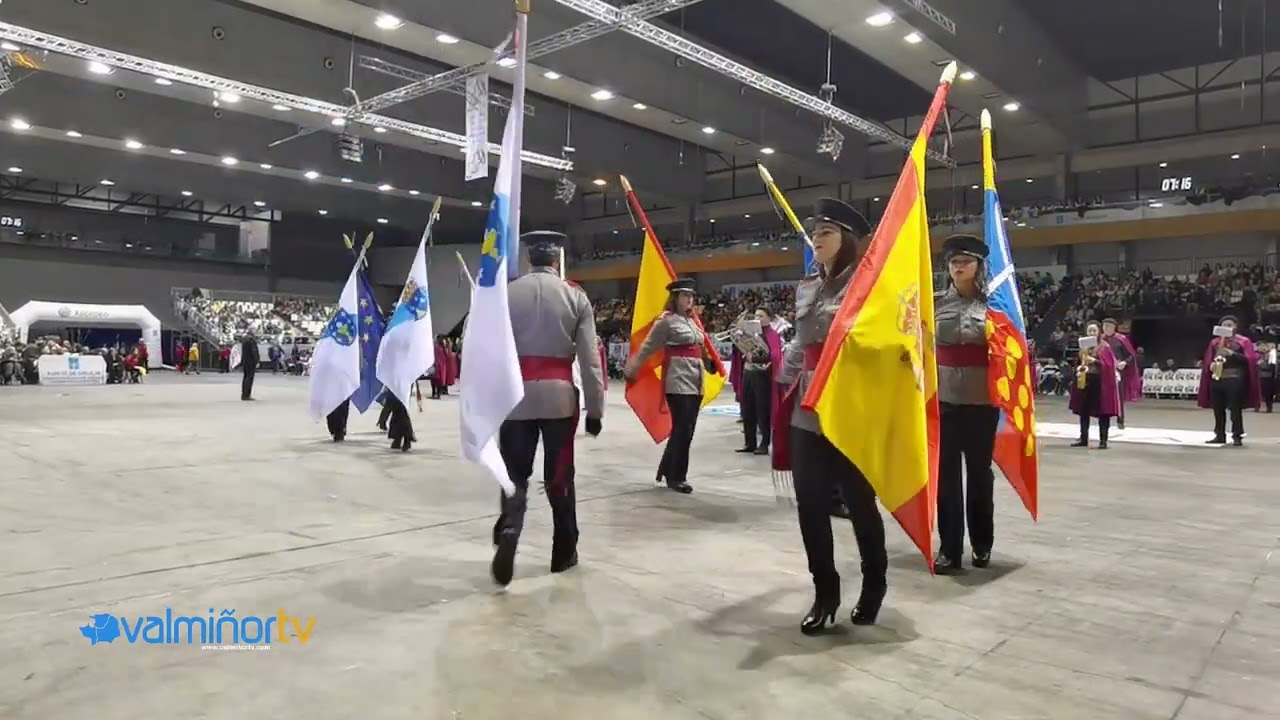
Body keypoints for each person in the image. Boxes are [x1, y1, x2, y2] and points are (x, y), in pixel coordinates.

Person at [773, 197, 886, 633]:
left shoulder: (869, 284)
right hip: (808, 409)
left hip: (852, 407)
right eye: (814, 232)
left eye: (826, 232)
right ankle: (825, 591)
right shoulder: (806, 286)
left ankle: (874, 582)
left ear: (848, 239)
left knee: (860, 502)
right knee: (810, 504)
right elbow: (802, 342)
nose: (816, 238)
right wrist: (780, 371)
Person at [490, 231, 606, 586]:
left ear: (528, 257)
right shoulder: (575, 295)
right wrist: (595, 410)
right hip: (559, 398)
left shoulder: (507, 294)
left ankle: (510, 526)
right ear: (556, 259)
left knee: (514, 473)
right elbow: (590, 360)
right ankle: (563, 551)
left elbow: (490, 349)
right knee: (559, 478)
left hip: (515, 397)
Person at [933, 234, 998, 574]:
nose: (958, 266)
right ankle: (949, 548)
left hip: (982, 402)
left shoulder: (995, 305)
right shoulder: (934, 304)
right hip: (944, 401)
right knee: (945, 478)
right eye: (953, 262)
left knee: (979, 475)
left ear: (978, 266)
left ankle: (982, 543)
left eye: (965, 261)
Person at [624, 277, 712, 494]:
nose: (689, 300)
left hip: (696, 379)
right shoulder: (666, 321)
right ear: (675, 298)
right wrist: (632, 368)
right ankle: (677, 477)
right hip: (678, 378)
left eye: (691, 296)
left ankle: (666, 468)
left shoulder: (693, 321)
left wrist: (710, 363)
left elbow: (701, 347)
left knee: (686, 428)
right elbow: (648, 347)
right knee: (683, 428)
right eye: (685, 295)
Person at [1196, 316, 1262, 446]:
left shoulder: (1243, 341)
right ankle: (1219, 434)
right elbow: (1208, 358)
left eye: (1230, 324)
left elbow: (1249, 360)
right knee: (1218, 408)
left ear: (1235, 326)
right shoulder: (1215, 343)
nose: (1227, 327)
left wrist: (1232, 354)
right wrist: (1209, 365)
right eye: (1224, 324)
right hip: (1217, 378)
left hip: (1235, 378)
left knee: (1235, 409)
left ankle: (1237, 435)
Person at [735, 307, 784, 456]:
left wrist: (756, 357)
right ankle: (750, 443)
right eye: (756, 316)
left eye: (761, 316)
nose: (758, 319)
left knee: (762, 410)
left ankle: (764, 443)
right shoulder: (750, 333)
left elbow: (774, 356)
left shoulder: (774, 335)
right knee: (747, 409)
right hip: (748, 373)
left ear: (769, 318)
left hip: (763, 375)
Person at [1068, 321, 1120, 448]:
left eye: (1094, 330)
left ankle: (1103, 441)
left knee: (1103, 413)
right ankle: (1083, 438)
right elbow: (1078, 362)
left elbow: (1109, 365)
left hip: (1100, 383)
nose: (1091, 333)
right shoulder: (1084, 346)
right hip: (1086, 381)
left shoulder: (1104, 347)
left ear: (1099, 332)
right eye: (1089, 330)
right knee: (1083, 410)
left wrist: (1095, 361)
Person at [1101, 318, 1140, 429]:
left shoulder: (1121, 339)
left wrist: (1124, 362)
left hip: (1117, 371)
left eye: (1108, 326)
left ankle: (1120, 419)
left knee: (1118, 396)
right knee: (1103, 396)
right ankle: (1104, 419)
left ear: (1114, 327)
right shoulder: (1100, 340)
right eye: (1104, 326)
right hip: (1103, 370)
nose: (1106, 328)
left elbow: (1131, 355)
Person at [240, 333, 260, 400]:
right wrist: (257, 361)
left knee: (245, 377)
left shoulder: (244, 341)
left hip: (245, 361)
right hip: (251, 362)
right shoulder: (251, 341)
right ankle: (247, 395)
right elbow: (254, 351)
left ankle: (244, 394)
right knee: (249, 378)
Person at [1259, 342, 1277, 413]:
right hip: (1264, 375)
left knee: (1268, 393)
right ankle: (1268, 407)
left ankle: (1269, 407)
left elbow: (1271, 366)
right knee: (1266, 392)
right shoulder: (1265, 355)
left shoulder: (1271, 355)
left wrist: (1260, 364)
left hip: (1268, 376)